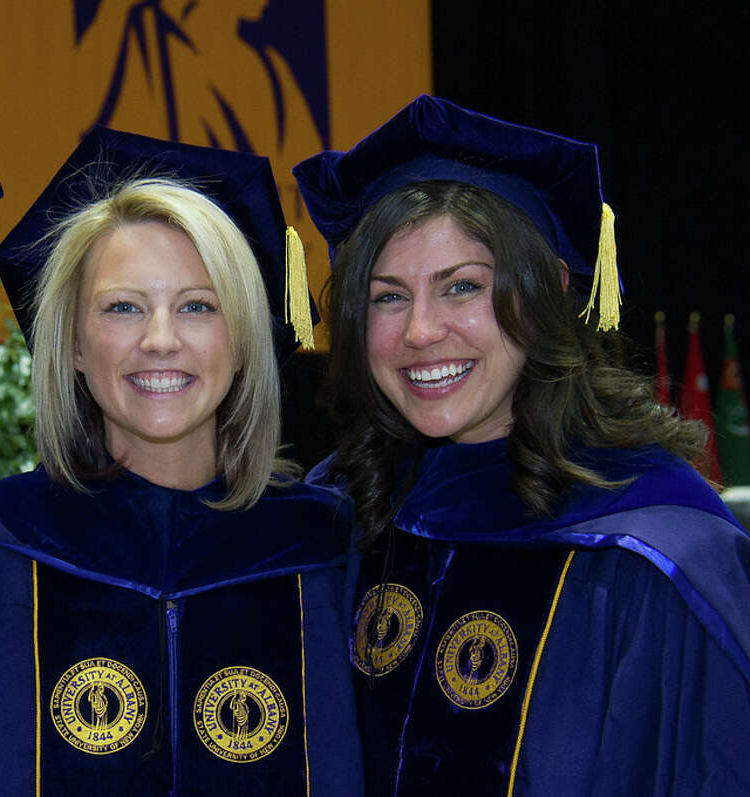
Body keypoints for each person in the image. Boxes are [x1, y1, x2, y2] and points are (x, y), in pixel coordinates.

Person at [293, 94, 750, 795]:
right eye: (388, 296)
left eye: (462, 287)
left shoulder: (659, 556)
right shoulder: (338, 519)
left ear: (549, 293)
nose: (420, 331)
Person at [0, 127, 363, 795]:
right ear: (75, 344)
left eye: (198, 306)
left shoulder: (329, 550)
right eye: (123, 307)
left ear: (246, 339)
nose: (159, 339)